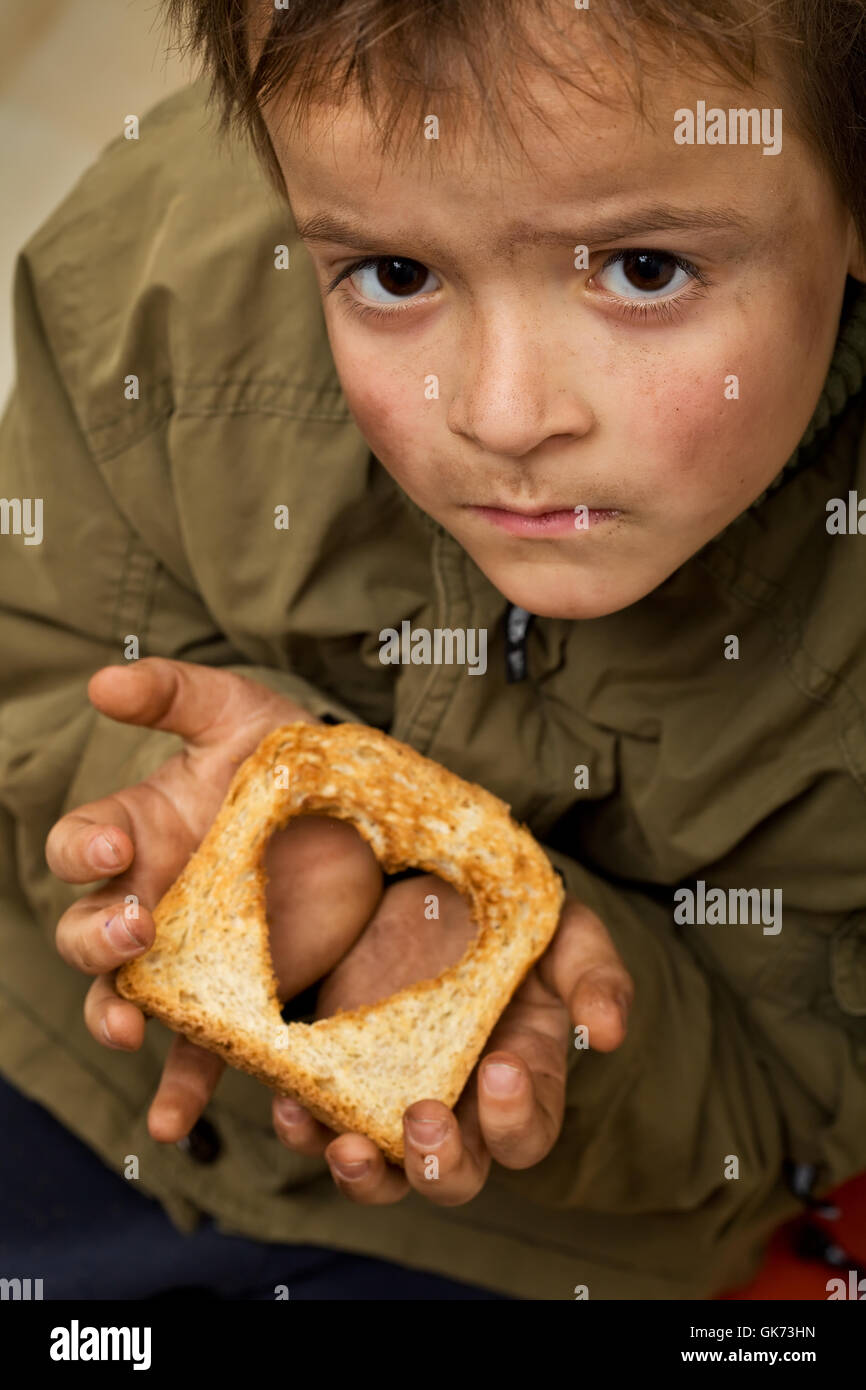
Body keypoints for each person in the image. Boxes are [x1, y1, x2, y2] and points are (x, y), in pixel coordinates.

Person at [0, 0, 865, 1302]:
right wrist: (170, 811)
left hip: (535, 1237)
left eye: (640, 269)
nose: (501, 412)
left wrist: (548, 1010)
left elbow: (793, 1089)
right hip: (51, 1045)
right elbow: (40, 653)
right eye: (394, 276)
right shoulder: (160, 285)